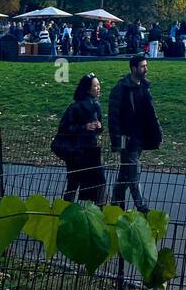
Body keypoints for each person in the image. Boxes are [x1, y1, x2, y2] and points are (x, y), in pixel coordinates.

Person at [108, 54, 163, 211]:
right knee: (133, 172)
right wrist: (116, 141)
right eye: (143, 66)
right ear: (134, 68)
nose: (146, 69)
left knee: (125, 174)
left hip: (140, 137)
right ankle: (141, 206)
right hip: (127, 138)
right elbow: (113, 117)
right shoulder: (121, 89)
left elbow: (152, 113)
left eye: (146, 66)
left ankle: (115, 205)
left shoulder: (144, 87)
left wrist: (157, 134)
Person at [55, 73, 105, 205]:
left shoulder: (96, 106)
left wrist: (99, 127)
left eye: (99, 85)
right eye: (95, 86)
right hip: (76, 150)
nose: (99, 88)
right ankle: (68, 209)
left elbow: (100, 126)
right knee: (74, 182)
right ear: (88, 89)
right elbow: (65, 129)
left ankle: (97, 209)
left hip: (91, 149)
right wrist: (84, 127)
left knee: (96, 182)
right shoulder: (75, 107)